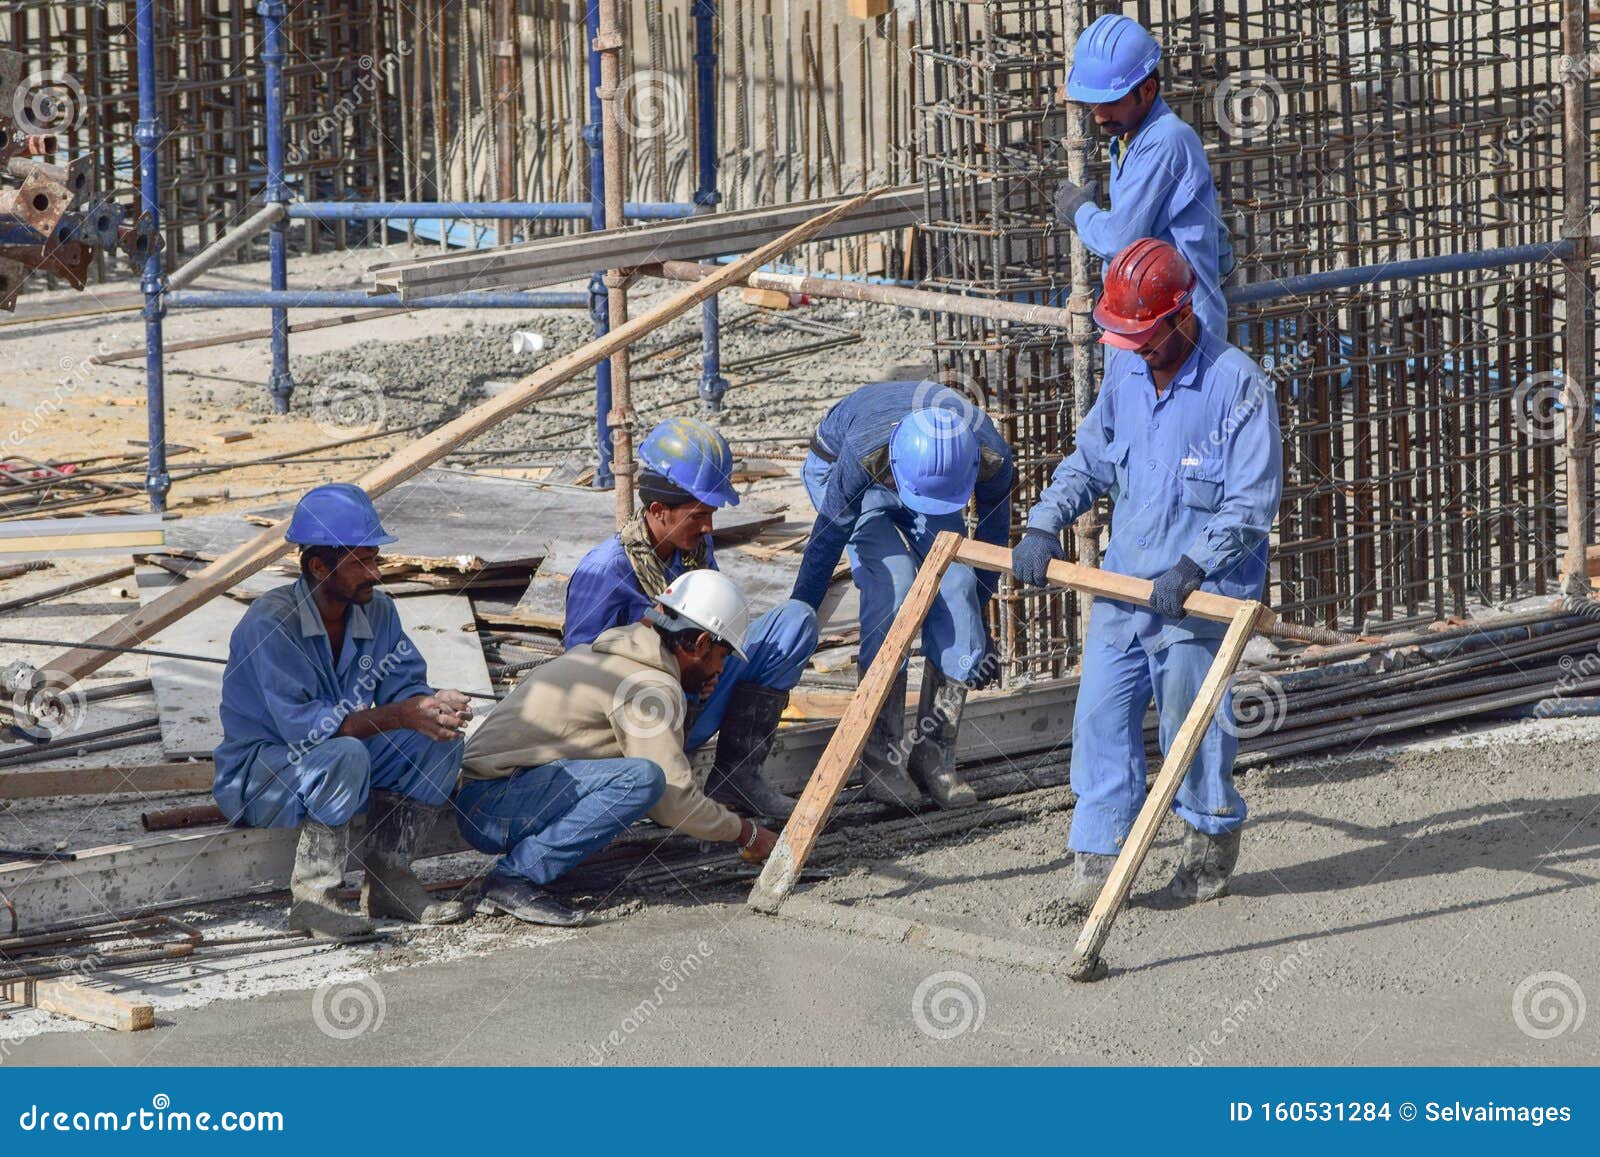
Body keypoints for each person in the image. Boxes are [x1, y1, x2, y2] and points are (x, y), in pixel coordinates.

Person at [1011, 239, 1281, 907]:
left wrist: (1195, 564)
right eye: (1124, 335)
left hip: (1201, 598)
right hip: (1127, 586)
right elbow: (1091, 460)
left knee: (1193, 726)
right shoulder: (1126, 370)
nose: (1135, 347)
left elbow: (1253, 501)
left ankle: (1207, 846)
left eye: (1145, 334)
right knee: (1099, 716)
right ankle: (1096, 869)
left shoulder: (1237, 384)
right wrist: (1044, 521)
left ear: (1183, 315)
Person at [214, 484, 472, 939]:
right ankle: (315, 899)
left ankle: (390, 879)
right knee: (346, 752)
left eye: (375, 558)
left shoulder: (378, 612)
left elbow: (405, 689)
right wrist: (400, 713)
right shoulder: (271, 623)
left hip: (337, 762)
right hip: (262, 776)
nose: (374, 573)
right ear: (319, 566)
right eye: (361, 562)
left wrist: (432, 704)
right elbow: (307, 731)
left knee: (438, 739)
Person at [462, 570, 777, 924]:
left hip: (491, 798)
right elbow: (670, 803)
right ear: (701, 643)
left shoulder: (616, 655)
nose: (720, 669)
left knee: (636, 774)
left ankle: (543, 868)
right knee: (642, 779)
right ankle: (514, 878)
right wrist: (746, 833)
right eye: (722, 655)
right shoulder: (648, 686)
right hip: (491, 808)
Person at [564, 417, 817, 820]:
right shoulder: (605, 572)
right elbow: (577, 672)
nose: (708, 526)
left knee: (795, 622)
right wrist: (674, 672)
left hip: (695, 699)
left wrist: (707, 665)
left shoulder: (695, 550)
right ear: (659, 510)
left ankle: (738, 775)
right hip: (643, 721)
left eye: (710, 514)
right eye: (698, 516)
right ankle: (649, 780)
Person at [792, 380, 1014, 811]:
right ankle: (881, 758)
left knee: (958, 584)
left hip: (926, 478)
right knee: (891, 582)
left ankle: (935, 756)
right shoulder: (862, 454)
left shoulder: (990, 457)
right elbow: (825, 542)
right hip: (840, 467)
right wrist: (800, 619)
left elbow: (990, 546)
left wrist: (977, 626)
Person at [1052, 12, 1234, 341]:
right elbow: (1217, 238)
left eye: (1111, 102)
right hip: (1140, 322)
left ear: (1147, 90)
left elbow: (1120, 239)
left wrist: (1079, 211)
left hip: (1176, 332)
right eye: (1094, 104)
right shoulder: (1127, 139)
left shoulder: (1166, 140)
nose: (1099, 116)